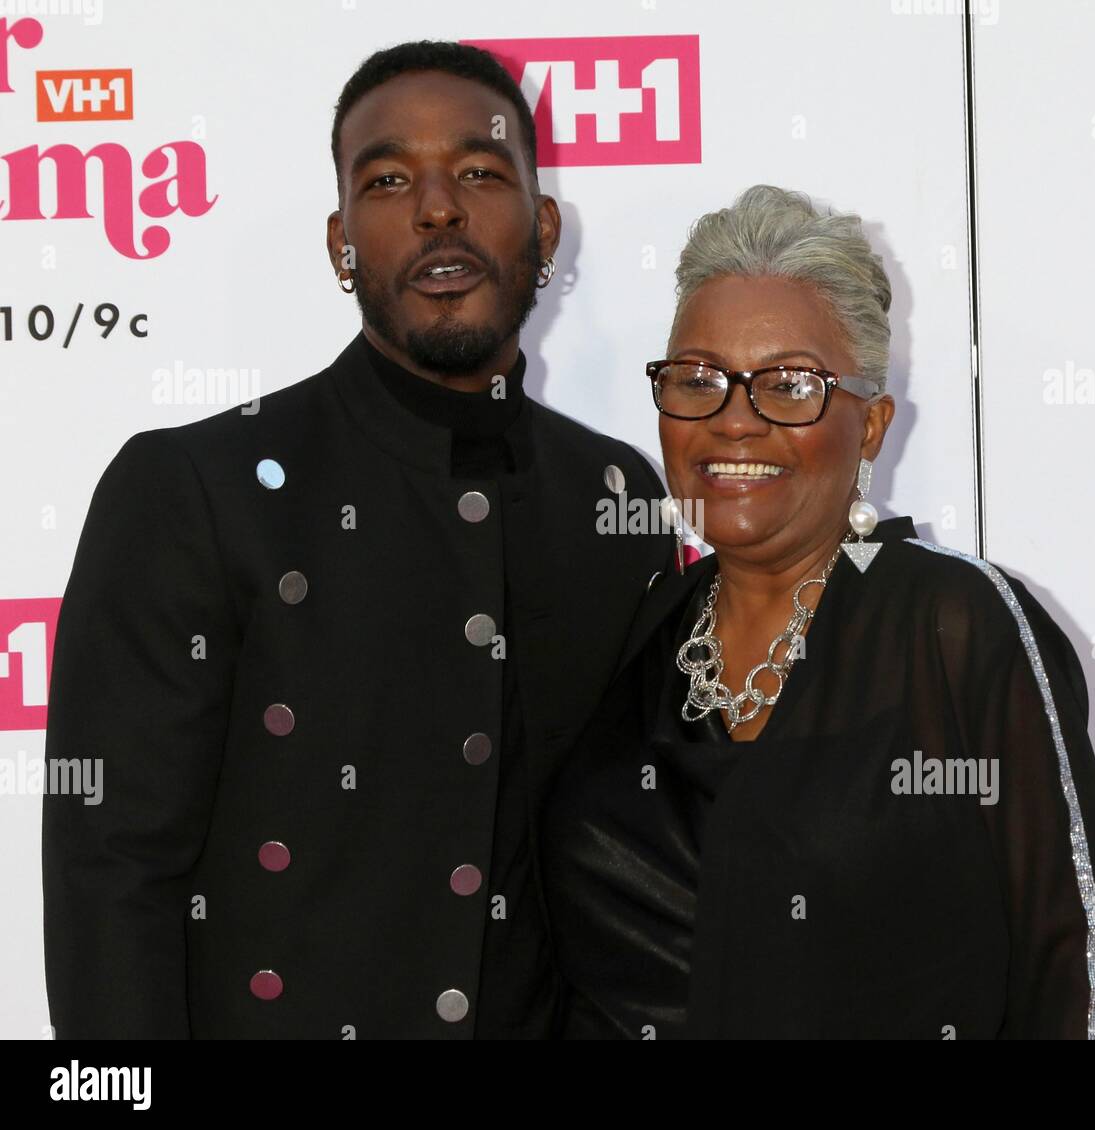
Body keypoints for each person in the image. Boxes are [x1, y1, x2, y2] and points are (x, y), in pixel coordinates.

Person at [41, 40, 670, 1039]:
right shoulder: (195, 490)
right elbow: (112, 874)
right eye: (387, 179)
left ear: (544, 228)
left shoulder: (612, 499)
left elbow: (634, 859)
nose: (436, 209)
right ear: (340, 244)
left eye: (478, 171)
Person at [539, 185, 1095, 1039]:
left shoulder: (956, 627)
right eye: (698, 379)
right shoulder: (635, 633)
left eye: (790, 386)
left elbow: (1074, 971)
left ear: (871, 426)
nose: (734, 421)